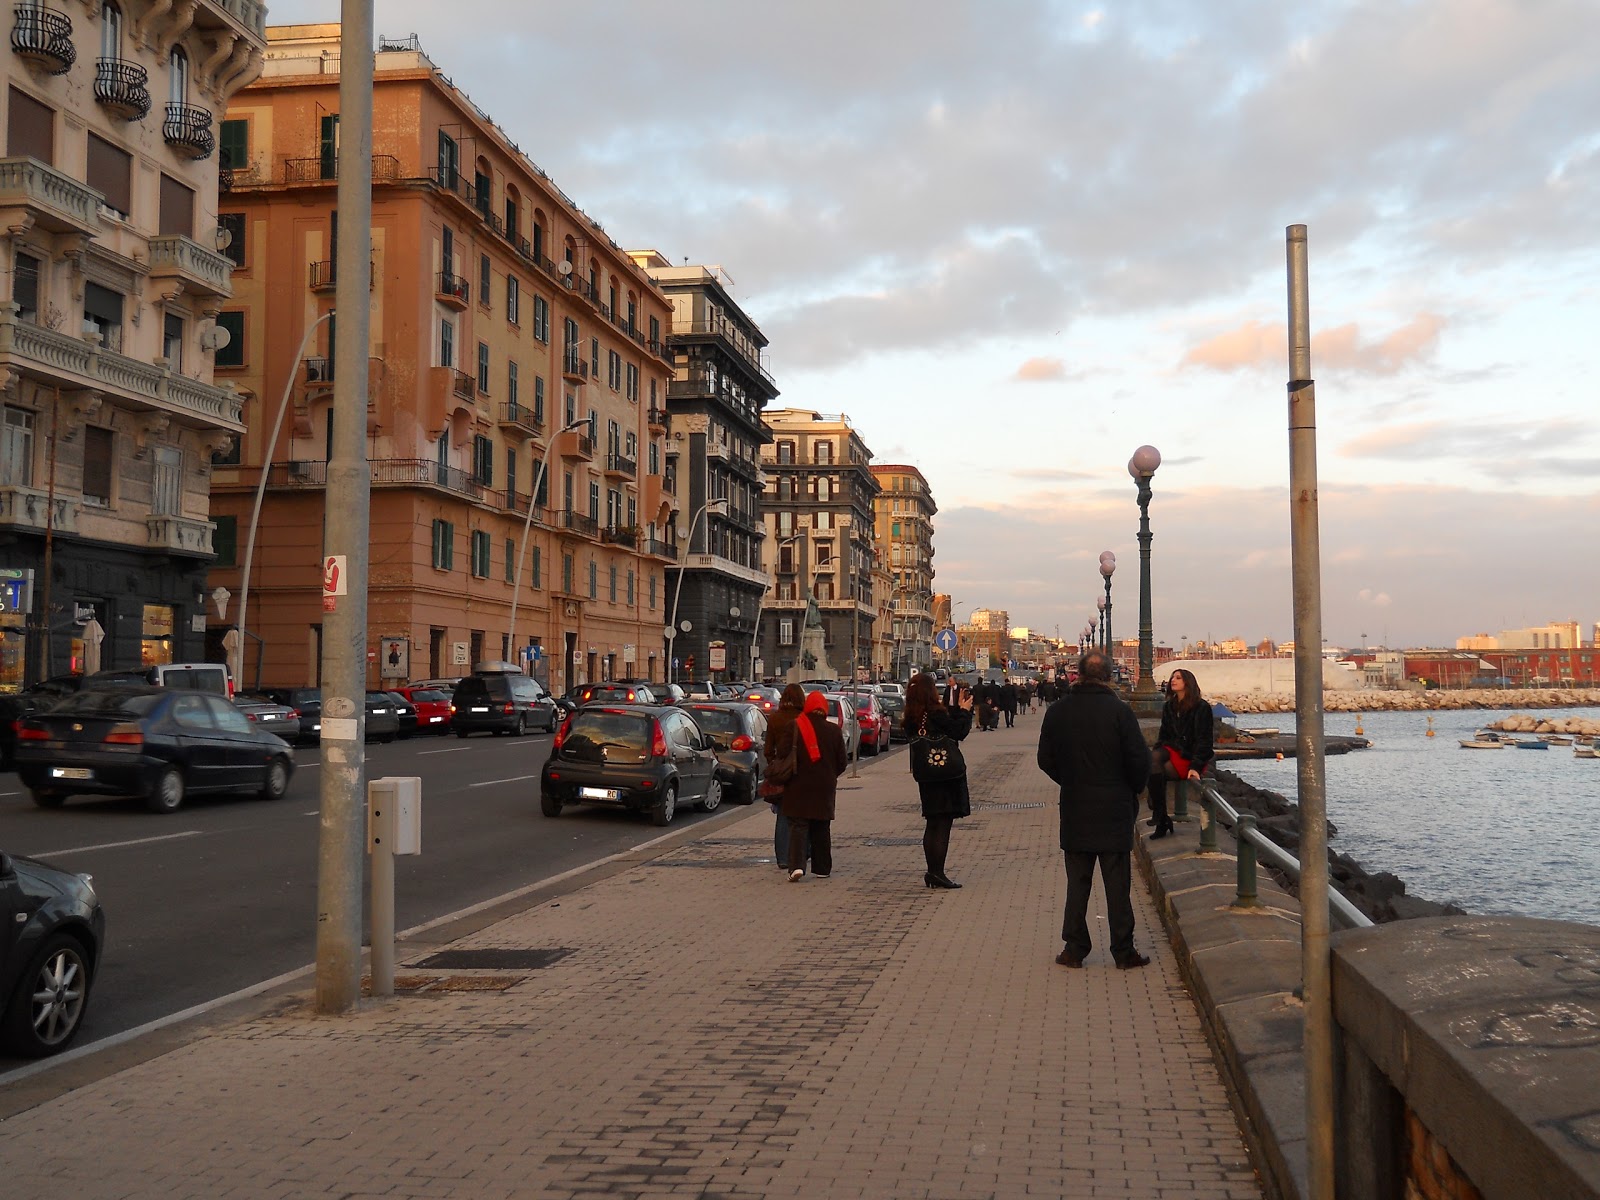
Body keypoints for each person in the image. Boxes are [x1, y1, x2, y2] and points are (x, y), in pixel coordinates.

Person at [1036, 650, 1152, 969]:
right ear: (1108, 676)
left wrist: (1070, 780)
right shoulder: (1120, 712)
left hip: (1075, 807)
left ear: (1078, 674)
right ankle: (1123, 951)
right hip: (1114, 808)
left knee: (1078, 883)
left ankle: (1074, 948)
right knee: (1117, 885)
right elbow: (1139, 760)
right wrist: (1130, 787)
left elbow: (1045, 759)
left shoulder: (1058, 711)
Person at [903, 672, 977, 889]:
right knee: (943, 823)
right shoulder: (934, 712)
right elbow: (958, 732)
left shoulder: (911, 717)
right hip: (946, 775)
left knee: (932, 821)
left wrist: (955, 710)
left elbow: (944, 726)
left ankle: (932, 871)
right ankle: (937, 873)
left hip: (926, 775)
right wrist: (964, 711)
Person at [781, 691, 848, 881]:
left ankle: (796, 866)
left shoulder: (794, 727)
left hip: (797, 785)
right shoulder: (833, 730)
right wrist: (830, 775)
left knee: (798, 826)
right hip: (824, 786)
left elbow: (782, 754)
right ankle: (822, 868)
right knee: (821, 826)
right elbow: (842, 762)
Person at [1148, 668, 1214, 839]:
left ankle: (1160, 817)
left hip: (1190, 756)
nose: (1173, 680)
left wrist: (1196, 766)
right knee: (1152, 759)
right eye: (1172, 677)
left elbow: (1204, 741)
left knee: (1156, 770)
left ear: (1188, 682)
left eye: (1178, 678)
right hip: (1171, 749)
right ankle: (1160, 815)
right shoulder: (1169, 706)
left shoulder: (1201, 707)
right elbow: (1164, 735)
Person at [763, 684, 810, 869]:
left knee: (782, 815)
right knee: (803, 816)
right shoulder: (804, 719)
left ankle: (782, 857)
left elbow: (768, 749)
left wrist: (776, 765)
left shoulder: (775, 719)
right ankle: (802, 853)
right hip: (803, 772)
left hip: (783, 774)